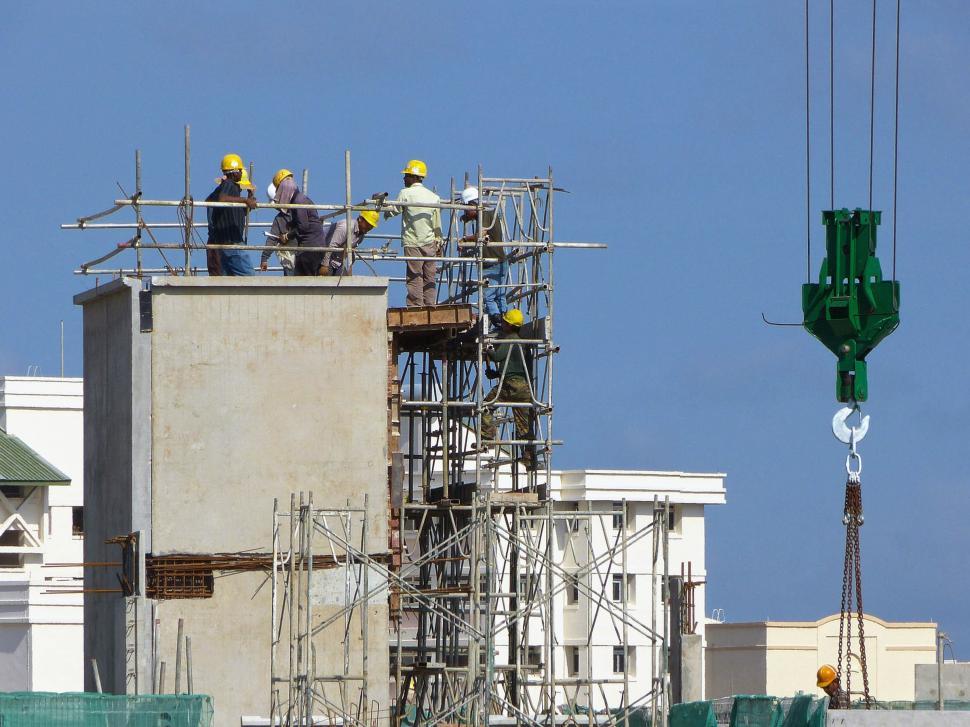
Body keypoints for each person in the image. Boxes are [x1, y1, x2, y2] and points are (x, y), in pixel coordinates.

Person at [480, 308, 537, 470]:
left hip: (509, 386)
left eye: (504, 321)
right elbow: (515, 365)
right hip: (524, 387)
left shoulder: (510, 340)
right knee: (524, 425)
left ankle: (487, 437)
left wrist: (489, 348)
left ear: (509, 325)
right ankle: (529, 458)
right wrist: (496, 373)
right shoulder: (523, 343)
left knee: (486, 406)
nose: (502, 323)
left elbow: (498, 357)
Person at [383, 159, 442, 306]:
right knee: (430, 276)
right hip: (430, 242)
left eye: (407, 175)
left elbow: (393, 210)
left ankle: (416, 307)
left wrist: (382, 207)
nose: (404, 178)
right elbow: (437, 223)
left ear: (414, 177)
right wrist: (439, 241)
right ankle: (430, 306)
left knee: (415, 276)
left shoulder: (405, 193)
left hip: (413, 242)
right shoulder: (434, 197)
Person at [460, 186, 508, 327]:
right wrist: (467, 217)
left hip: (492, 263)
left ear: (473, 204)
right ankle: (505, 319)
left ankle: (498, 322)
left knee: (489, 297)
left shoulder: (485, 214)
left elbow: (481, 235)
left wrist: (465, 239)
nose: (465, 211)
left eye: (465, 208)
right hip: (498, 261)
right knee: (499, 295)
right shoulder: (486, 213)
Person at [205, 153, 258, 276]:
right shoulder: (230, 185)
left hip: (225, 244)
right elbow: (222, 199)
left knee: (229, 281)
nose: (240, 172)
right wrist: (245, 200)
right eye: (239, 170)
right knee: (250, 280)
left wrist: (249, 199)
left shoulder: (232, 194)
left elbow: (239, 213)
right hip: (232, 242)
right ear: (234, 172)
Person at [270, 169, 327, 275]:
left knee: (305, 283)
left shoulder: (298, 201)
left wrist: (287, 236)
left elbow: (303, 226)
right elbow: (304, 221)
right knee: (301, 280)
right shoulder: (299, 199)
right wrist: (291, 224)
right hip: (311, 247)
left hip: (310, 248)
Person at [320, 210, 380, 276]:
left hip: (337, 262)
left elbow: (350, 252)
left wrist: (350, 267)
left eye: (372, 226)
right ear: (360, 219)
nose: (369, 227)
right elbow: (331, 245)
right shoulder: (346, 227)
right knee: (326, 279)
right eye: (368, 224)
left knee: (346, 282)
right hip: (323, 255)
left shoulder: (361, 235)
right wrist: (324, 265)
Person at [259, 181, 296, 275]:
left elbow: (305, 228)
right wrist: (264, 258)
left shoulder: (300, 211)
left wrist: (287, 236)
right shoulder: (279, 219)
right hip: (292, 260)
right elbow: (272, 238)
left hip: (305, 255)